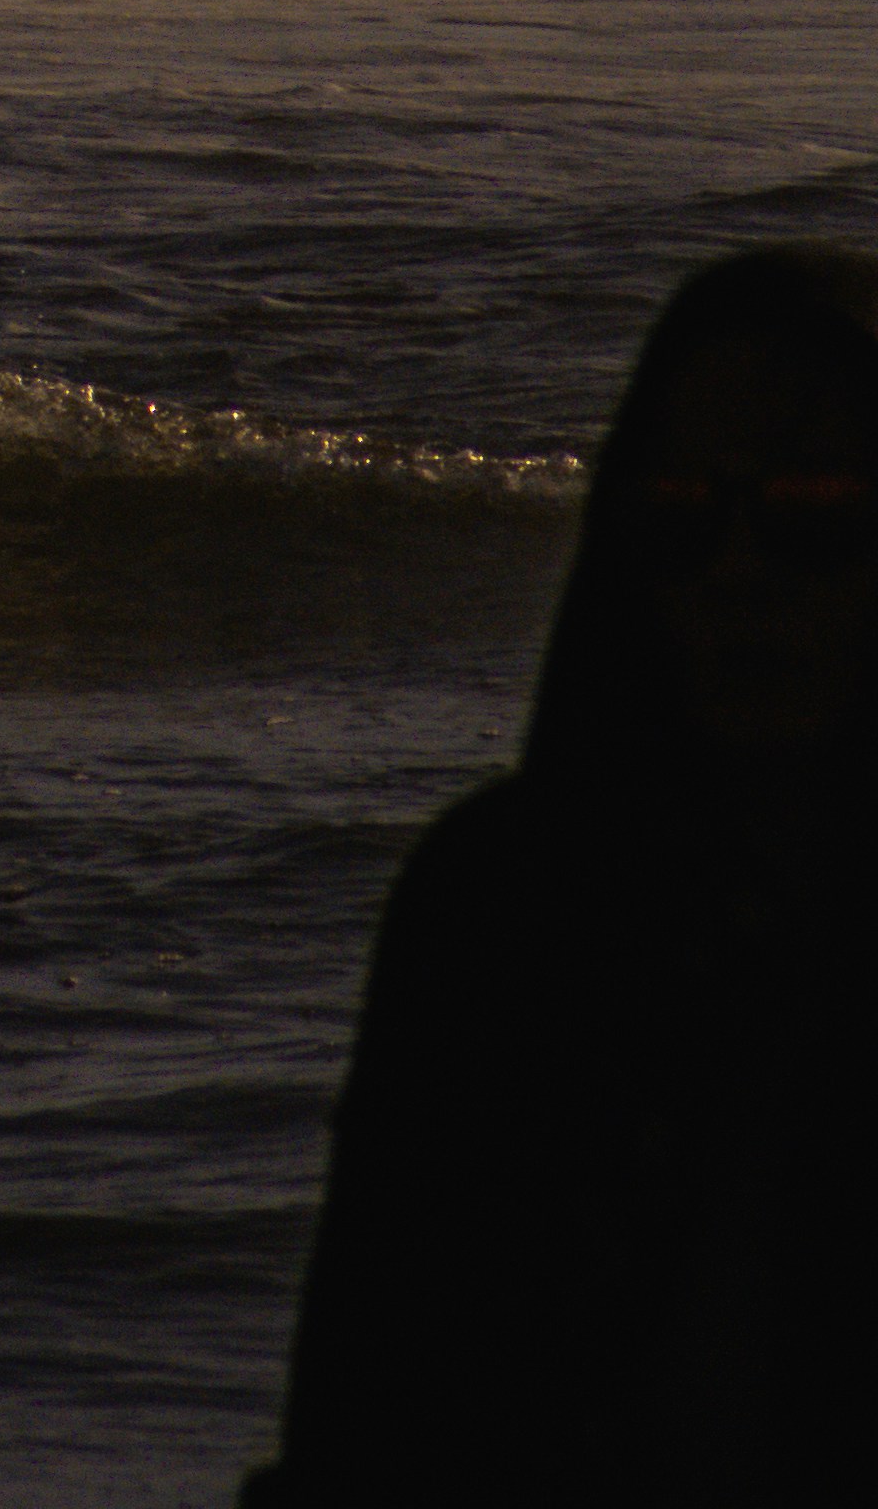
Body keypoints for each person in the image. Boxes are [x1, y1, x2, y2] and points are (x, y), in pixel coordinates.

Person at [247, 238, 878, 1501]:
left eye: (811, 512)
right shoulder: (503, 911)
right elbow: (365, 1408)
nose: (738, 571)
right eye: (680, 511)